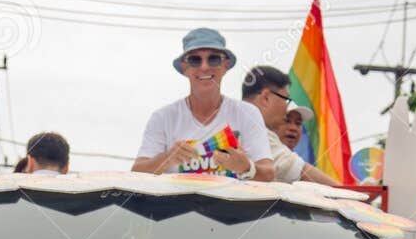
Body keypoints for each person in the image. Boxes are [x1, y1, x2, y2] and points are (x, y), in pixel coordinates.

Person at [132, 29, 274, 180]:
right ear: (184, 68)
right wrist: (167, 158)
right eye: (195, 60)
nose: (204, 67)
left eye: (213, 59)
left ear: (225, 65)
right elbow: (136, 173)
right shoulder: (162, 117)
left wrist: (246, 167)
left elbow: (269, 173)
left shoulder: (247, 113)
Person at [241, 65, 336, 185]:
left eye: (298, 123)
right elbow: (295, 168)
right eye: (286, 99)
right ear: (265, 98)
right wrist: (352, 194)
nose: (285, 109)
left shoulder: (230, 121)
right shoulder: (250, 130)